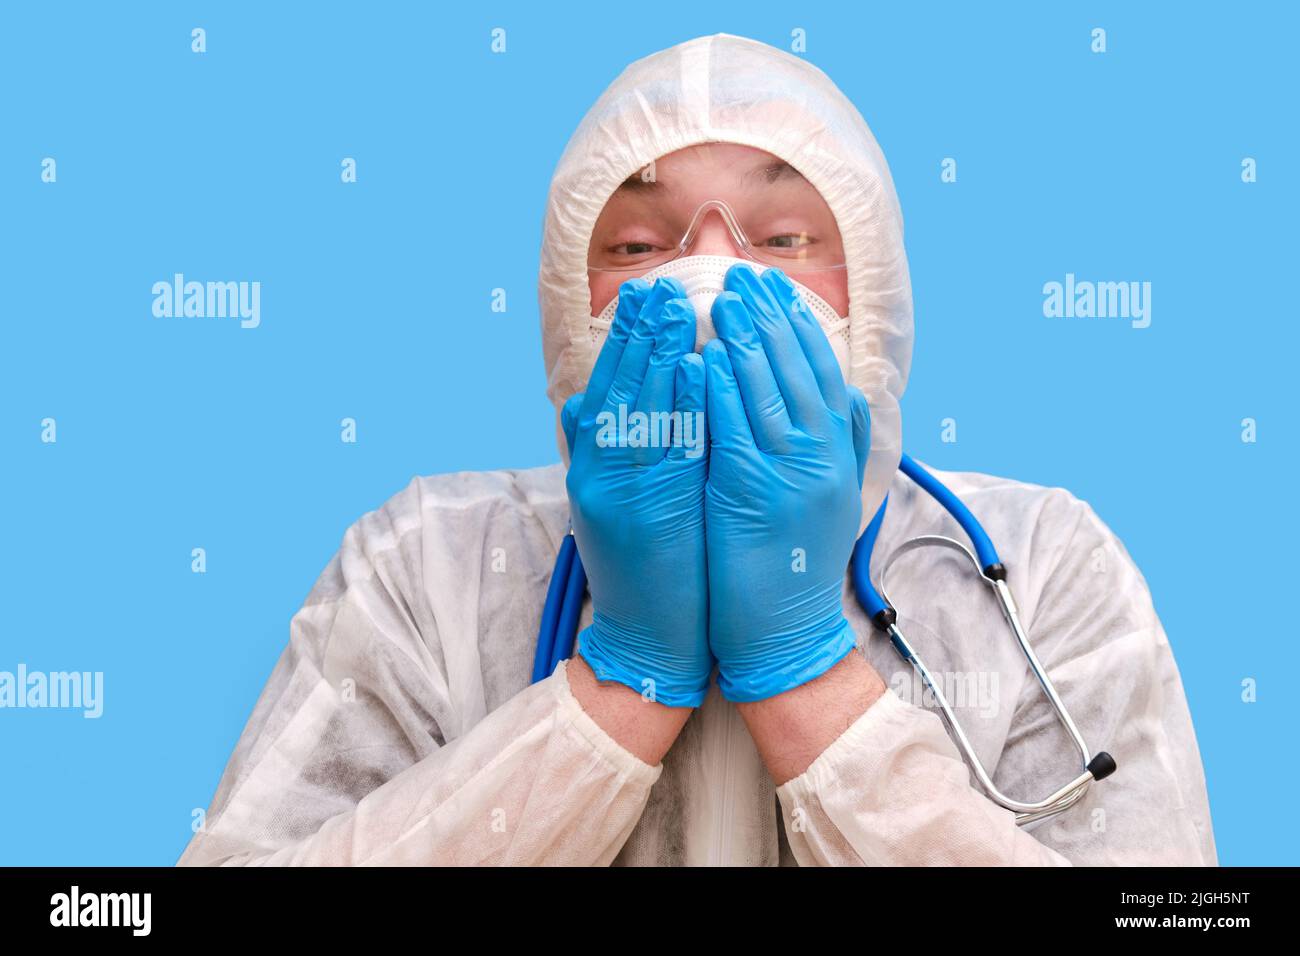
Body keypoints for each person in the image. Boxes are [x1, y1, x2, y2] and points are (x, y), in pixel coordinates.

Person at [178, 34, 1216, 866]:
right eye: (636, 247)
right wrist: (612, 691)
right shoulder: (426, 568)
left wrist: (807, 679)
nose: (709, 280)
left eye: (782, 241)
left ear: (879, 302)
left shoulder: (1042, 569)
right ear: (563, 313)